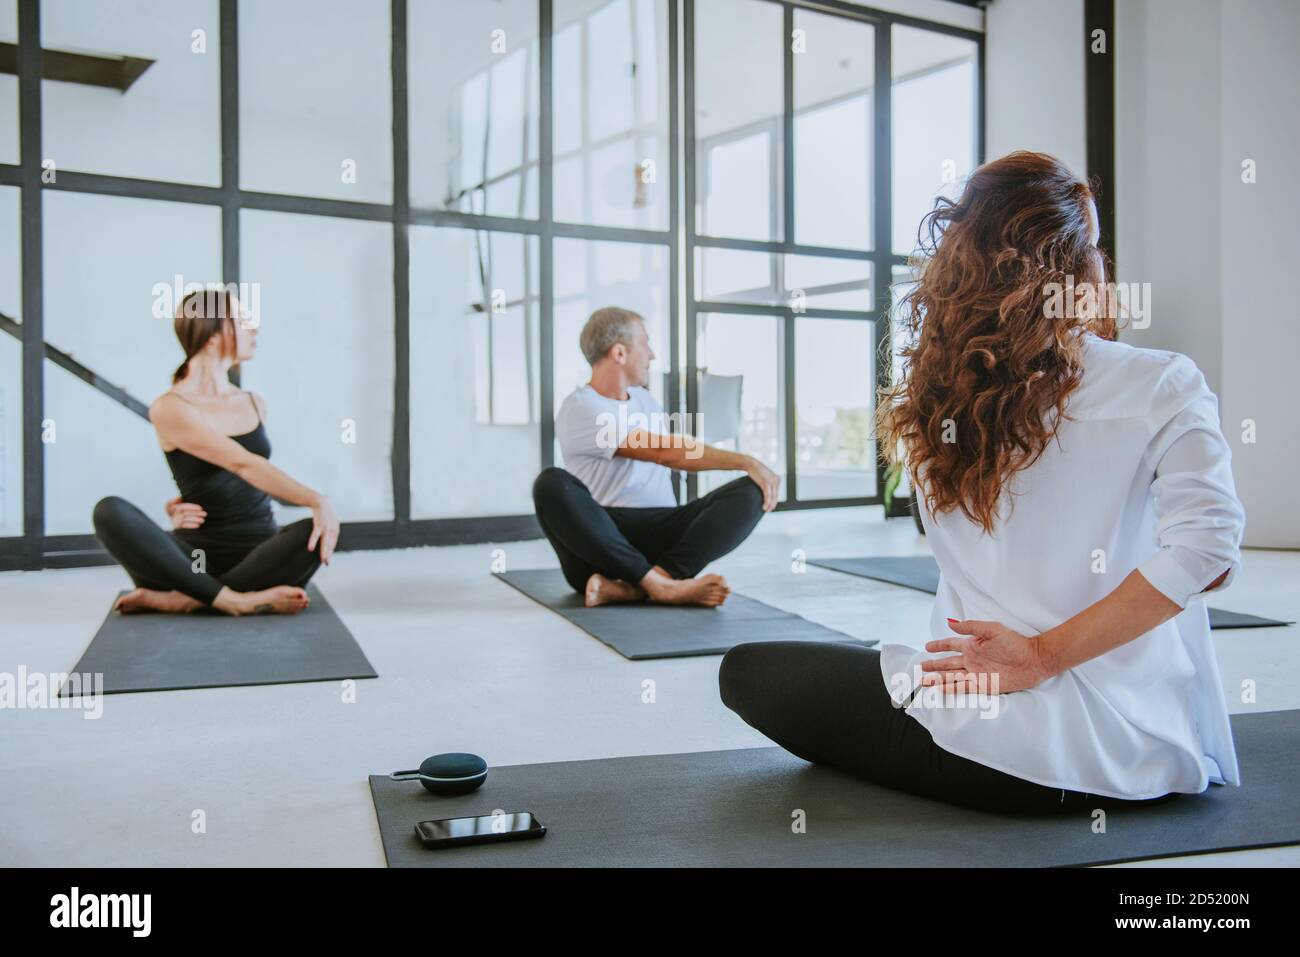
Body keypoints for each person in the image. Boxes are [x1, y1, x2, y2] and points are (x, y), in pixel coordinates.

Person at [719, 151, 1246, 814]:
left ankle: (1002, 767)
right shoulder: (1162, 380)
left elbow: (1207, 553)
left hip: (987, 723)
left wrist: (1040, 656)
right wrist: (1042, 655)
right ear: (1081, 266)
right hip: (1127, 746)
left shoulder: (937, 402)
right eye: (1098, 248)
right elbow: (1209, 555)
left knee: (747, 672)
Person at [92, 287, 340, 616]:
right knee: (109, 512)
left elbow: (243, 479)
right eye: (242, 321)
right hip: (195, 556)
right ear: (212, 334)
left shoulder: (253, 401)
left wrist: (318, 511)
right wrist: (317, 499)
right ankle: (236, 600)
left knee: (314, 530)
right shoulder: (171, 407)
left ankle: (187, 599)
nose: (254, 329)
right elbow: (242, 463)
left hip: (259, 548)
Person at [533, 306, 780, 608]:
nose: (652, 355)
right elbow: (666, 452)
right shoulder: (581, 408)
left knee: (751, 490)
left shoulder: (646, 401)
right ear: (620, 353)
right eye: (646, 344)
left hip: (661, 531)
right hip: (601, 547)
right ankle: (658, 585)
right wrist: (746, 460)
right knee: (550, 483)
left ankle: (650, 584)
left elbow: (676, 447)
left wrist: (749, 471)